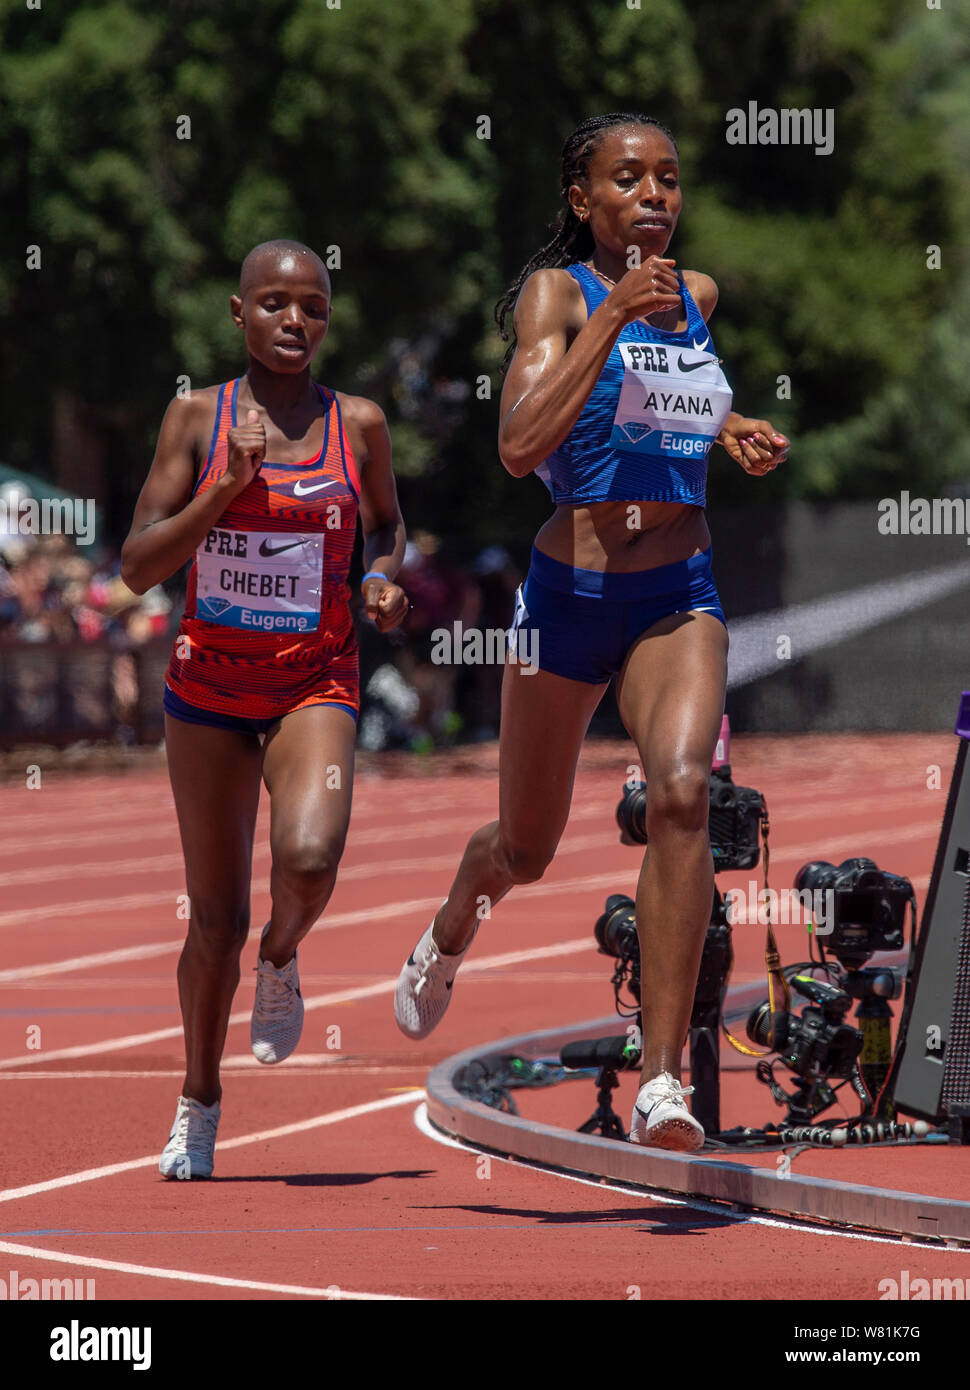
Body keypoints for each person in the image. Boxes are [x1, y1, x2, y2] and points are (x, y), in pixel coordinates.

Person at [394, 114, 788, 1151]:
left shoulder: (695, 296)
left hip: (676, 593)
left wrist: (730, 428)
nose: (653, 195)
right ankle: (450, 925)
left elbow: (673, 407)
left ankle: (662, 1081)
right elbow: (521, 446)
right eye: (628, 179)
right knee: (524, 846)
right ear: (583, 202)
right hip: (568, 597)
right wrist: (608, 314)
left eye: (667, 177)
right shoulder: (556, 297)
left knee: (680, 794)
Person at [122, 239, 408, 1178]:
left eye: (314, 307)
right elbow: (137, 568)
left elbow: (390, 526)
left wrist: (379, 577)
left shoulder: (356, 423)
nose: (296, 321)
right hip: (206, 689)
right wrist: (224, 489)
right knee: (214, 919)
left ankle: (283, 957)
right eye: (276, 304)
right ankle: (199, 1100)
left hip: (311, 680)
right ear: (238, 314)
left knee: (312, 860)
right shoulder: (197, 418)